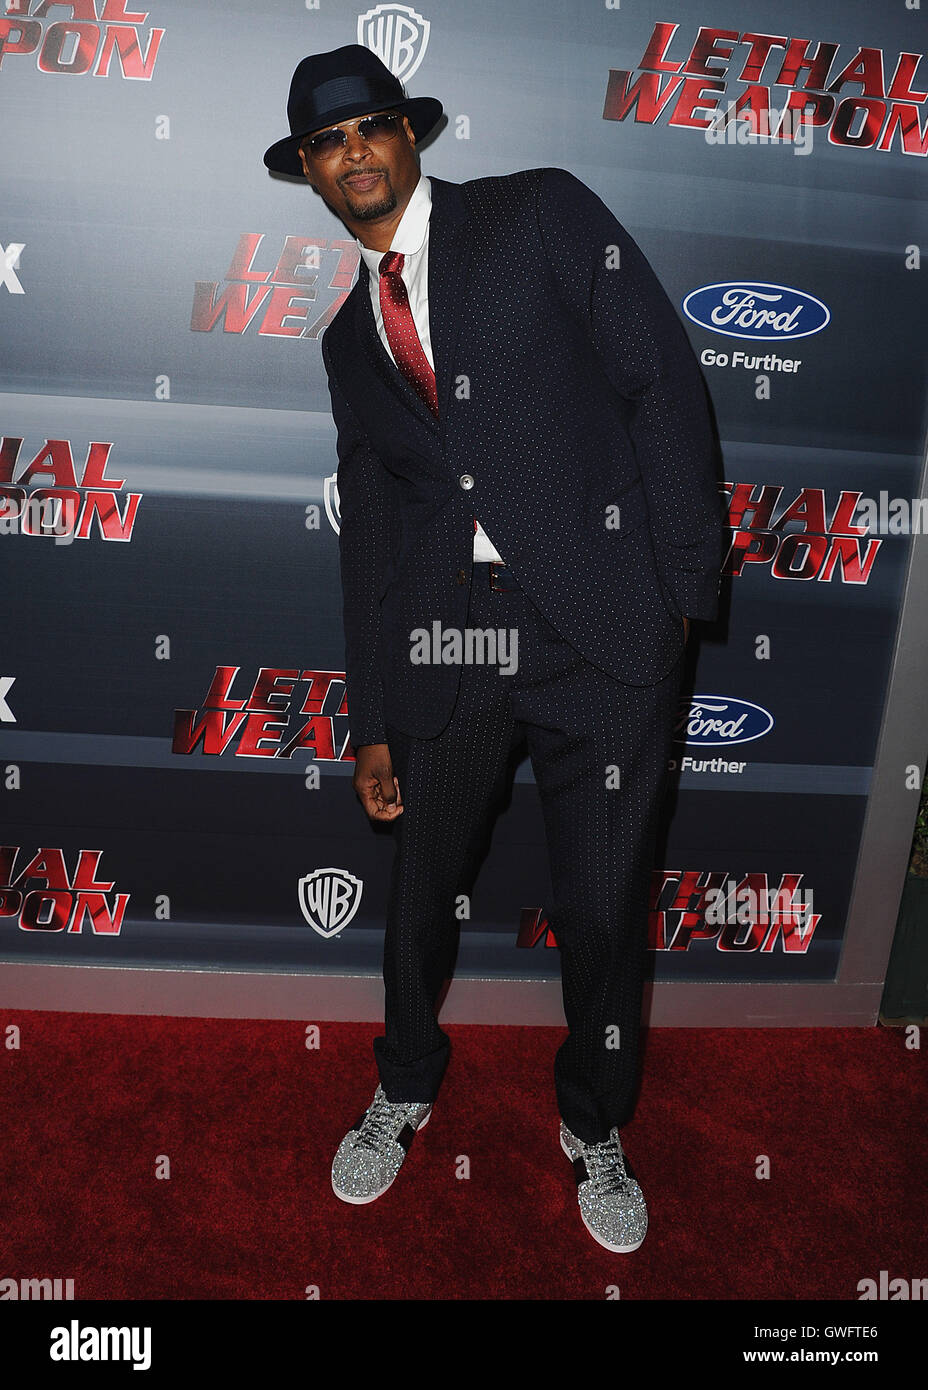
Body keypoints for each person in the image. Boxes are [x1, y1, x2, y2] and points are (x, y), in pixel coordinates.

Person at [264, 44, 724, 1253]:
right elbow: (370, 533)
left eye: (369, 126)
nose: (352, 152)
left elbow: (662, 385)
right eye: (327, 142)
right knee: (420, 887)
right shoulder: (346, 344)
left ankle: (595, 1124)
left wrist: (681, 591)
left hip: (606, 634)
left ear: (410, 134)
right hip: (448, 643)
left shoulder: (538, 215)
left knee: (606, 903)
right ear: (308, 175)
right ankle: (404, 1083)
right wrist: (370, 715)